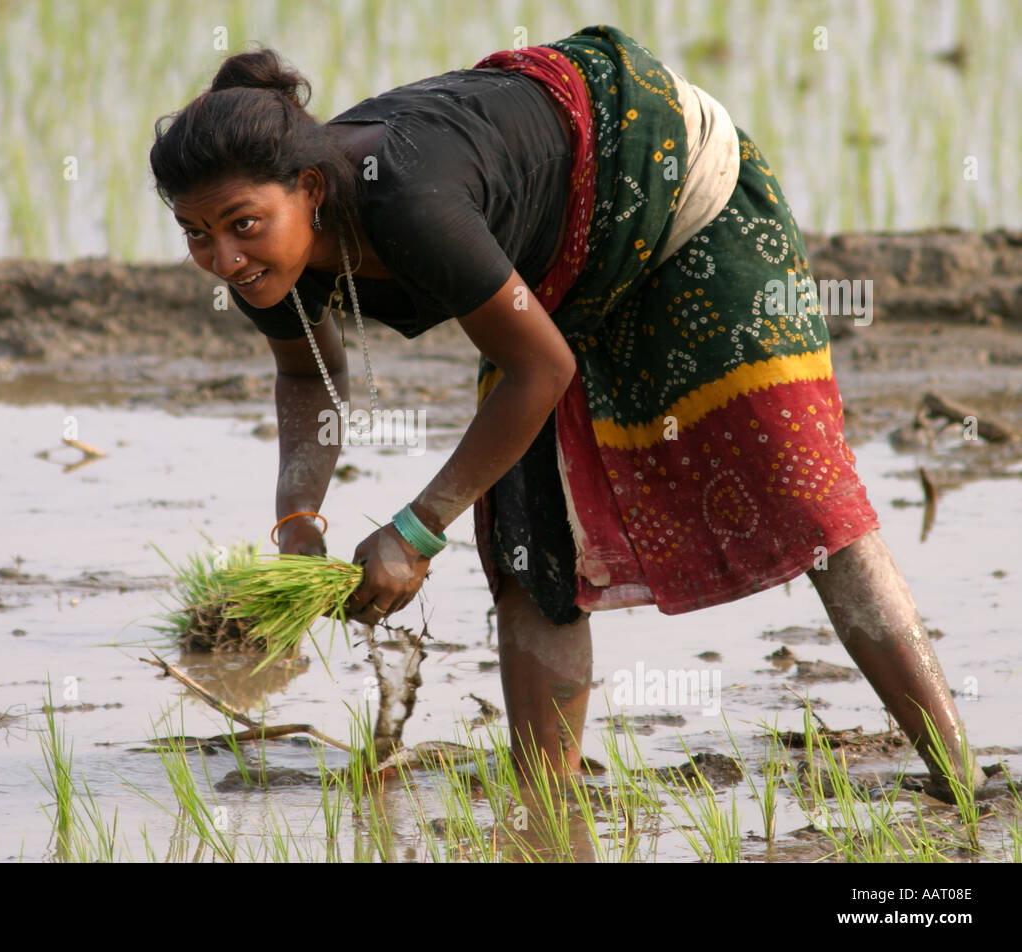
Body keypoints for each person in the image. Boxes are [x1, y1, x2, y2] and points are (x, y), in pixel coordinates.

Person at [149, 25, 984, 800]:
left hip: (671, 189)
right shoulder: (262, 263)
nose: (222, 257)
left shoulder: (407, 200)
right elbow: (308, 377)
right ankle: (549, 806)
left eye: (241, 226)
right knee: (528, 534)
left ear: (310, 188)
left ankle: (957, 774)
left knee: (807, 495)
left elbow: (541, 367)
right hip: (551, 264)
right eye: (195, 234)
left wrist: (415, 530)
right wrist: (298, 519)